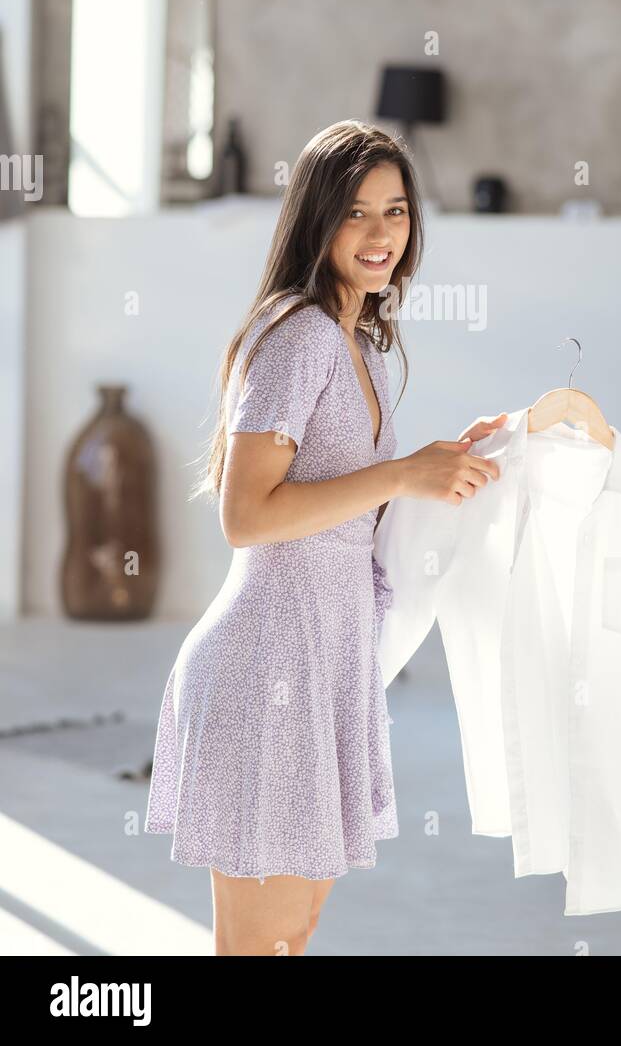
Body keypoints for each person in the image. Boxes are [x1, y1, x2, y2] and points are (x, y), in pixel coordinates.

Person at [143, 119, 504, 955]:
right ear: (318, 219)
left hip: (327, 675)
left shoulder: (363, 347)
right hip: (263, 669)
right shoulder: (297, 336)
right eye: (356, 212)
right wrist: (401, 474)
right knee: (257, 947)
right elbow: (248, 518)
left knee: (291, 937)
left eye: (397, 211)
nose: (381, 235)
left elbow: (354, 520)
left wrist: (453, 465)